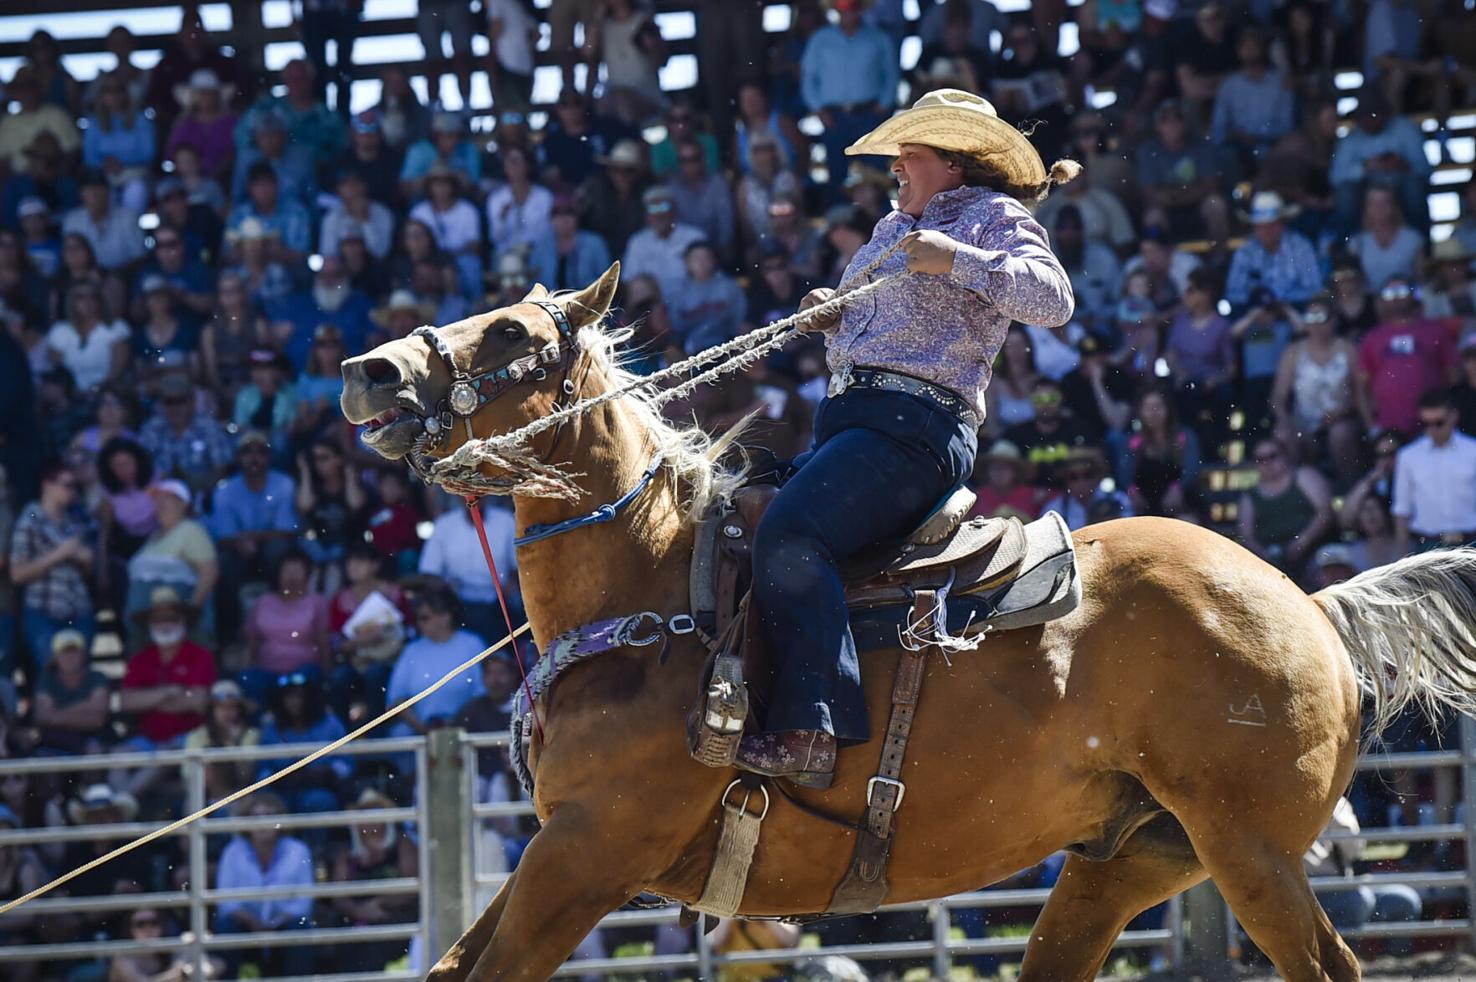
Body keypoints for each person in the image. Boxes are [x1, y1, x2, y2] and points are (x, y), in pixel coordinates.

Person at [736, 89, 1076, 784]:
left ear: (952, 162)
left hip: (916, 428)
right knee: (734, 513)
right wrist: (831, 317)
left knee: (792, 533)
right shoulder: (891, 229)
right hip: (857, 426)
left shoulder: (992, 215)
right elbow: (881, 327)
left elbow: (1054, 299)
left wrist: (960, 260)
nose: (896, 165)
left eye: (909, 153)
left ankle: (813, 728)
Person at [215, 792, 316, 977]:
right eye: (256, 816)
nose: (263, 822)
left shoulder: (298, 850)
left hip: (284, 926)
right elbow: (226, 903)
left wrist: (275, 924)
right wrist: (253, 923)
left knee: (300, 926)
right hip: (245, 928)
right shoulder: (232, 851)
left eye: (269, 815)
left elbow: (303, 903)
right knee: (226, 925)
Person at [9, 463, 95, 670]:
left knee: (79, 672)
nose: (72, 491)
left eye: (75, 486)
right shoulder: (30, 518)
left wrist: (87, 560)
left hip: (79, 609)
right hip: (43, 611)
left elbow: (88, 570)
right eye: (67, 485)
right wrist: (61, 554)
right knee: (51, 671)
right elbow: (17, 573)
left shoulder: (74, 520)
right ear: (47, 485)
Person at [1356, 276, 1459, 437]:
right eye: (1389, 293)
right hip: (1389, 428)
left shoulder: (1436, 330)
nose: (1396, 297)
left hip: (1432, 426)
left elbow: (1454, 376)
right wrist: (1372, 427)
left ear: (1414, 294)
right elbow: (1362, 388)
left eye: (1401, 291)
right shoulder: (1371, 338)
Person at [385, 584, 487, 743]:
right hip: (420, 733)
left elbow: (483, 693)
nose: (419, 623)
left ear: (446, 616)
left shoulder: (472, 644)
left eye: (425, 617)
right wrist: (423, 730)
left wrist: (456, 725)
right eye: (418, 618)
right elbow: (396, 700)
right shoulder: (412, 650)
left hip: (467, 731)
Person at [1391, 388, 1476, 553]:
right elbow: (1402, 510)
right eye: (1426, 424)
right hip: (1428, 546)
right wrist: (1403, 557)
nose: (1432, 430)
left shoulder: (1473, 451)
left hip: (1471, 544)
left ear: (1453, 416)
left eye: (1439, 423)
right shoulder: (1408, 456)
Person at [1238, 436, 1333, 581]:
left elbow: (1325, 513)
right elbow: (1246, 535)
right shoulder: (1249, 496)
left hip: (1314, 551)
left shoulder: (1304, 476)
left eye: (1272, 456)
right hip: (1270, 561)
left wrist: (1303, 541)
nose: (1267, 463)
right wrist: (1265, 556)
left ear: (1285, 455)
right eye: (1260, 459)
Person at [33, 628, 110, 756]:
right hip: (54, 740)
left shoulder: (97, 677)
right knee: (43, 755)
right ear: (55, 655)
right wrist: (86, 707)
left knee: (95, 750)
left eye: (74, 651)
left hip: (92, 737)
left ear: (83, 653)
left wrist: (57, 713)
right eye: (64, 651)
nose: (70, 656)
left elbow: (98, 719)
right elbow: (43, 717)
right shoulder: (46, 679)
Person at [1041, 446, 1134, 531]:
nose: (1081, 481)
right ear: (1065, 480)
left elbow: (1128, 532)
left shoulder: (1119, 501)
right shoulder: (1054, 510)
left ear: (1099, 475)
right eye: (1073, 476)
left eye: (1087, 474)